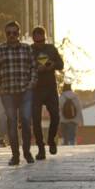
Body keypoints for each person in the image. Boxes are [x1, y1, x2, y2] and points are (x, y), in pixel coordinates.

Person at [0, 21, 37, 165]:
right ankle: (15, 155)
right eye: (8, 33)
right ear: (5, 34)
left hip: (25, 91)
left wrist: (31, 85)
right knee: (11, 122)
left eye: (14, 33)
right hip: (7, 92)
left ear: (19, 34)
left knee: (25, 120)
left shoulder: (27, 48)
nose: (11, 35)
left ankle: (27, 152)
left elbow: (33, 68)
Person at [30, 26, 65, 158]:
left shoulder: (51, 49)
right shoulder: (29, 50)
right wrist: (36, 68)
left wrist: (52, 64)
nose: (40, 44)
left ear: (45, 38)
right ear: (33, 39)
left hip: (50, 88)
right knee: (36, 120)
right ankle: (41, 148)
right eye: (37, 41)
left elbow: (61, 65)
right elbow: (26, 67)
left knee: (55, 116)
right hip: (35, 89)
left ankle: (51, 140)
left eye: (42, 40)